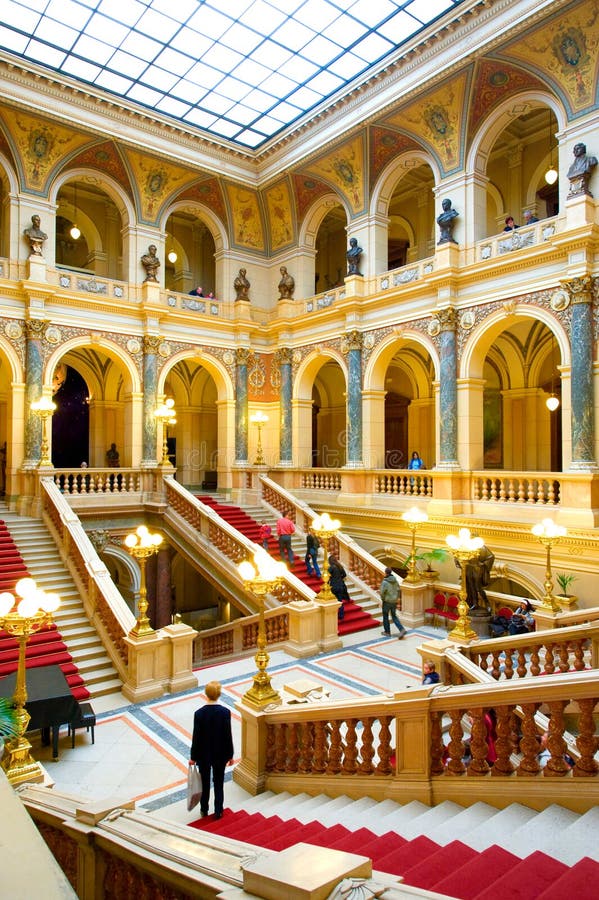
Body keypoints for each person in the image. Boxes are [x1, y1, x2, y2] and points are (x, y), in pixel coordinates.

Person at [190, 681, 234, 820]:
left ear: (206, 694)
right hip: (220, 754)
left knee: (205, 782)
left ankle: (204, 809)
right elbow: (228, 735)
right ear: (219, 695)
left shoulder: (199, 714)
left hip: (204, 754)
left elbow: (196, 737)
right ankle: (218, 811)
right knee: (219, 782)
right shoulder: (225, 712)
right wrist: (230, 755)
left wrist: (193, 757)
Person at [461, 544, 495, 612]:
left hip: (477, 569)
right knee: (471, 587)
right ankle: (475, 603)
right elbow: (459, 556)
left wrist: (483, 564)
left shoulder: (481, 547)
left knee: (478, 587)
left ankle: (487, 603)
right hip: (469, 568)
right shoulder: (466, 546)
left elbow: (491, 556)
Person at [380, 566, 406, 638]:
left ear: (385, 573)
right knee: (394, 616)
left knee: (385, 616)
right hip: (394, 601)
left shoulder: (385, 582)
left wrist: (383, 599)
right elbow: (398, 590)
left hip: (387, 601)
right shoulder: (395, 581)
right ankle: (401, 629)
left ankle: (387, 632)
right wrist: (396, 598)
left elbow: (382, 592)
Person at [328, 554, 350, 619]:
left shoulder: (331, 567)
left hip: (334, 586)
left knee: (332, 601)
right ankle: (341, 615)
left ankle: (332, 614)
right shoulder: (339, 566)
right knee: (340, 601)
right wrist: (340, 578)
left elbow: (326, 575)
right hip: (340, 586)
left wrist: (331, 578)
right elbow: (344, 575)